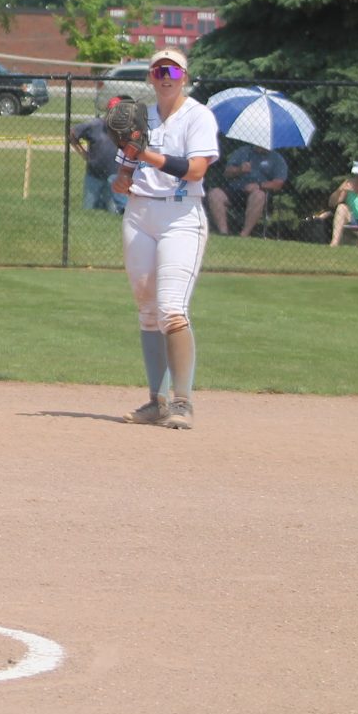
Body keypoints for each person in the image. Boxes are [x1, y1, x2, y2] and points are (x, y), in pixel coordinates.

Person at [111, 46, 218, 431]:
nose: (165, 78)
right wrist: (122, 178)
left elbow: (196, 170)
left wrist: (148, 155)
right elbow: (126, 170)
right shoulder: (141, 116)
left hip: (180, 216)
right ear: (150, 77)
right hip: (139, 214)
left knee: (172, 309)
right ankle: (157, 402)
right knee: (148, 310)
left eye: (172, 72)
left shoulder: (198, 116)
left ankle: (182, 402)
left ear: (184, 77)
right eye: (159, 71)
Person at [206, 143, 290, 237]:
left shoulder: (277, 159)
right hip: (235, 190)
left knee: (259, 195)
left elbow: (278, 183)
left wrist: (259, 185)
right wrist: (239, 169)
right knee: (215, 193)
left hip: (258, 192)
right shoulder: (243, 152)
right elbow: (227, 173)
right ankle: (223, 232)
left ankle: (244, 234)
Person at [70, 96, 130, 216]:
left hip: (114, 176)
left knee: (113, 212)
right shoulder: (95, 125)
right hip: (94, 175)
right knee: (88, 211)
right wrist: (83, 153)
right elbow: (72, 133)